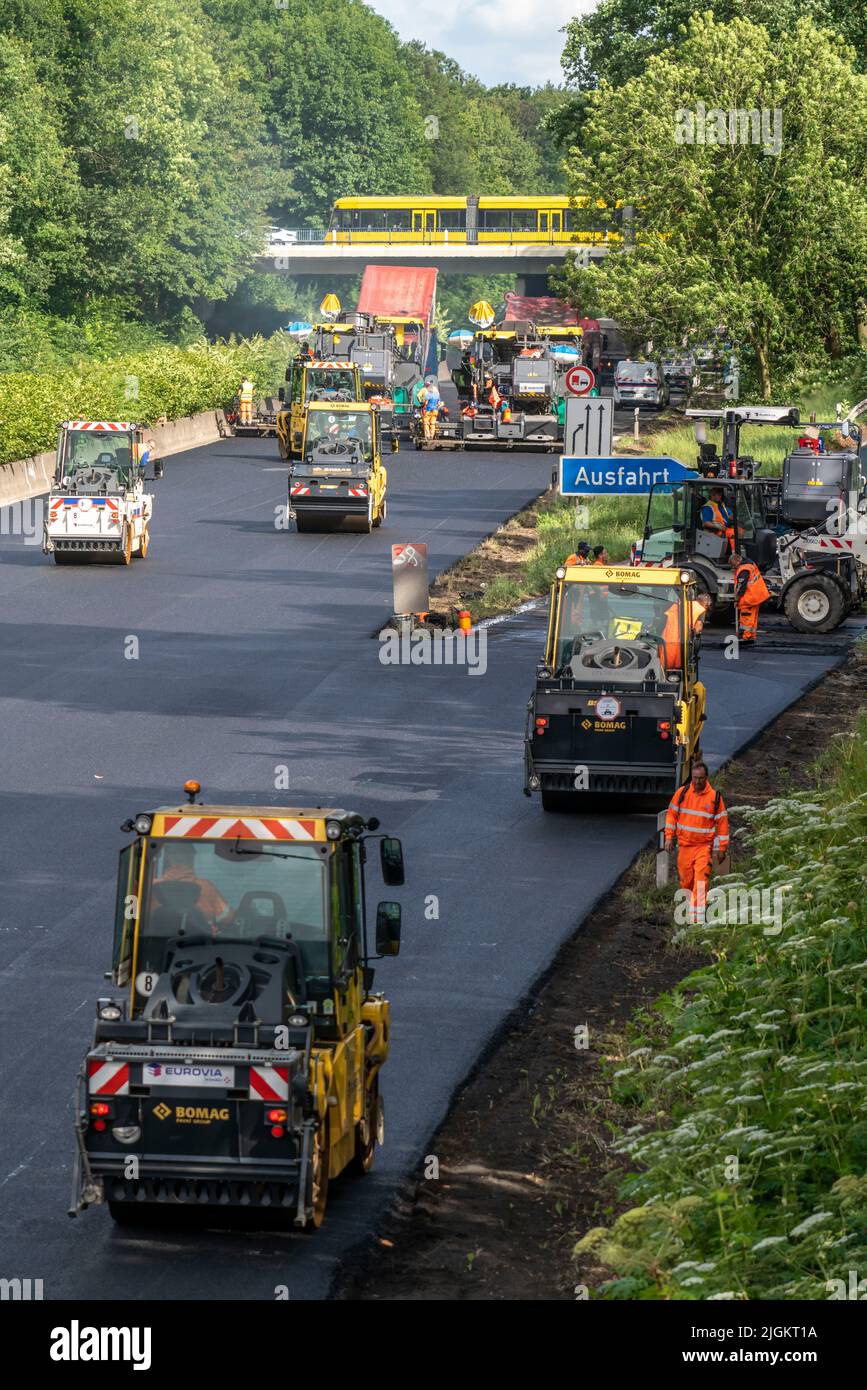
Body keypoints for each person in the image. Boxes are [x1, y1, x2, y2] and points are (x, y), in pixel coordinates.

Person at [664, 761, 730, 924]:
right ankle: (688, 908)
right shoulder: (682, 793)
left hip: (703, 848)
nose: (697, 782)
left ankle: (696, 919)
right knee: (686, 881)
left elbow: (722, 824)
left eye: (700, 778)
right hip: (685, 846)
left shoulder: (714, 798)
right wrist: (668, 837)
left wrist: (722, 849)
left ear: (706, 778)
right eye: (694, 778)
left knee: (701, 881)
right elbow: (672, 815)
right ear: (691, 777)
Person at [155, 842, 232, 932]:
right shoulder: (206, 887)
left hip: (155, 943)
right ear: (191, 859)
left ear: (169, 858)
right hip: (199, 943)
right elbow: (228, 918)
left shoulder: (151, 887)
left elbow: (135, 915)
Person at [730, 551, 771, 645]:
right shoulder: (750, 565)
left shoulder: (743, 569)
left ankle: (746, 637)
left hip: (749, 598)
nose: (734, 568)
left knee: (746, 617)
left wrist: (736, 599)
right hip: (756, 596)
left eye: (734, 565)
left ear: (737, 561)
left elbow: (741, 587)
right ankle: (751, 635)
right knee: (752, 618)